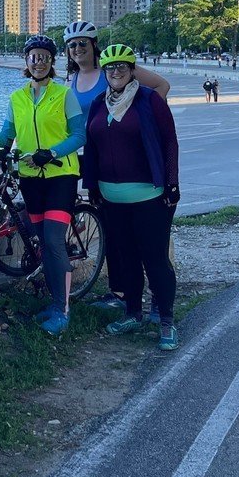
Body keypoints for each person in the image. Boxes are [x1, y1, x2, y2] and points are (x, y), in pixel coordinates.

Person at [0, 35, 86, 335]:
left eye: (44, 57)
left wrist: (51, 153)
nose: (38, 62)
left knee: (52, 240)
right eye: (33, 57)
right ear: (26, 61)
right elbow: (6, 137)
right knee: (44, 243)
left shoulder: (64, 95)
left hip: (61, 175)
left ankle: (62, 310)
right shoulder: (17, 98)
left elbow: (79, 136)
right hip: (29, 178)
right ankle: (53, 301)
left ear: (52, 62)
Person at [62, 20, 169, 315]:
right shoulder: (70, 81)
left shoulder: (111, 67)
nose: (78, 49)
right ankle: (120, 290)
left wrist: (142, 116)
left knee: (141, 234)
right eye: (72, 45)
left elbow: (161, 85)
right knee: (110, 227)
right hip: (89, 159)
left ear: (94, 45)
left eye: (83, 43)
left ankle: (152, 294)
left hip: (125, 157)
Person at [81, 44, 181, 351]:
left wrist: (172, 185)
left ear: (132, 70)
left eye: (122, 67)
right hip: (111, 198)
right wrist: (92, 187)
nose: (115, 73)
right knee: (125, 260)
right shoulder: (99, 103)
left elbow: (169, 143)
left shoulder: (150, 101)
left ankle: (165, 320)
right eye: (110, 68)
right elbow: (92, 147)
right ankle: (133, 313)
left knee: (155, 260)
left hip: (149, 197)